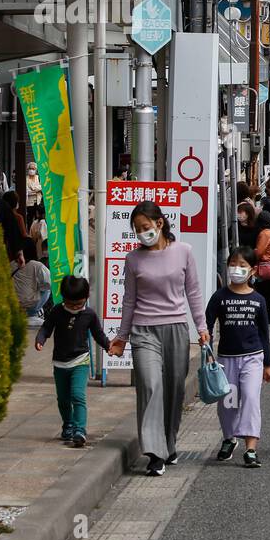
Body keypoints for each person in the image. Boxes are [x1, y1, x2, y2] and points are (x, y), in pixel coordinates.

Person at [108, 201, 209, 477]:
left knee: (174, 388)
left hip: (175, 327)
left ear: (160, 223)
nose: (142, 233)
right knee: (150, 386)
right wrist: (121, 336)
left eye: (145, 227)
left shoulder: (184, 252)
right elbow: (129, 300)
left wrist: (201, 327)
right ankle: (154, 452)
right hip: (143, 330)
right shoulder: (133, 259)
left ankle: (169, 443)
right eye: (137, 230)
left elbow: (194, 293)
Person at [205, 247, 270, 469]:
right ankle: (229, 438)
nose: (237, 269)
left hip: (253, 358)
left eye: (242, 265)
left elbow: (264, 332)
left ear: (252, 270)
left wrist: (268, 363)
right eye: (233, 264)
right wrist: (208, 353)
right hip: (226, 359)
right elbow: (207, 324)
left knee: (251, 398)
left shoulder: (258, 300)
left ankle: (251, 448)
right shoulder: (219, 296)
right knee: (227, 403)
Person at [33, 275, 107, 448]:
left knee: (77, 395)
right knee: (63, 399)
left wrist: (109, 346)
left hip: (80, 361)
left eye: (79, 304)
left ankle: (80, 430)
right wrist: (40, 339)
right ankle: (68, 424)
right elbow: (46, 327)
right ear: (63, 298)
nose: (74, 307)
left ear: (86, 298)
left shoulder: (89, 314)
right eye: (70, 303)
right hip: (60, 363)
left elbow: (98, 334)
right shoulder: (57, 311)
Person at [10, 248, 52, 323]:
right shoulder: (37, 266)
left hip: (15, 308)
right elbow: (50, 284)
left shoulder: (11, 265)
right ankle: (35, 313)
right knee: (47, 289)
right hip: (31, 308)